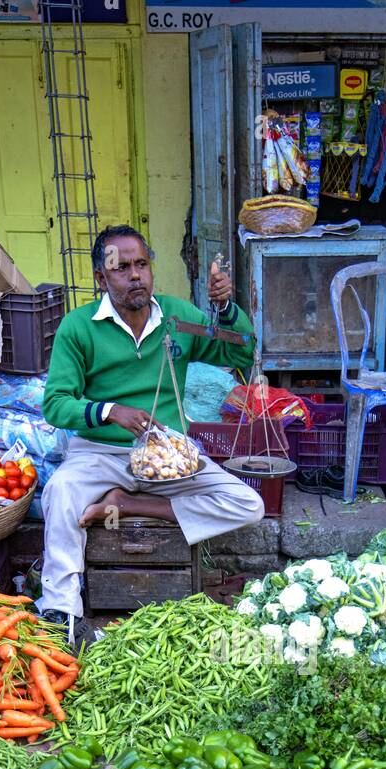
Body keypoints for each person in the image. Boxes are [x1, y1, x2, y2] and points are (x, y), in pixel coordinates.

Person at [39, 225, 265, 641]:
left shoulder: (178, 318)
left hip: (168, 458)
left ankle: (130, 504)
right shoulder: (78, 327)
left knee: (248, 503)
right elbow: (55, 404)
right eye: (121, 268)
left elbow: (241, 350)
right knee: (60, 492)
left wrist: (226, 306)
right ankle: (62, 613)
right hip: (100, 453)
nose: (135, 275)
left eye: (141, 264)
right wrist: (109, 411)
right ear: (101, 279)